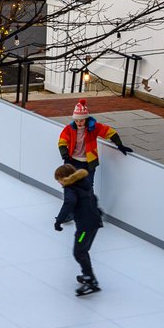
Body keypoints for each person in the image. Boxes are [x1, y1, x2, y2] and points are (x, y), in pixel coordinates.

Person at [55, 163, 104, 296]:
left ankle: (90, 280)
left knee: (79, 252)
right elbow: (93, 198)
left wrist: (59, 220)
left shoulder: (70, 188)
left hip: (85, 227)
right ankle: (87, 275)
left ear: (64, 178)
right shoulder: (83, 182)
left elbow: (69, 203)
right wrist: (97, 212)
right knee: (83, 250)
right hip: (94, 222)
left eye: (59, 180)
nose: (59, 183)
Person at [57, 98, 132, 183]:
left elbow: (109, 132)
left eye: (81, 120)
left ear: (86, 119)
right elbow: (62, 142)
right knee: (70, 184)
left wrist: (120, 145)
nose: (78, 123)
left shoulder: (93, 127)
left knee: (88, 185)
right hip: (72, 161)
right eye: (76, 120)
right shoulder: (69, 129)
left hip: (89, 162)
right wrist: (64, 154)